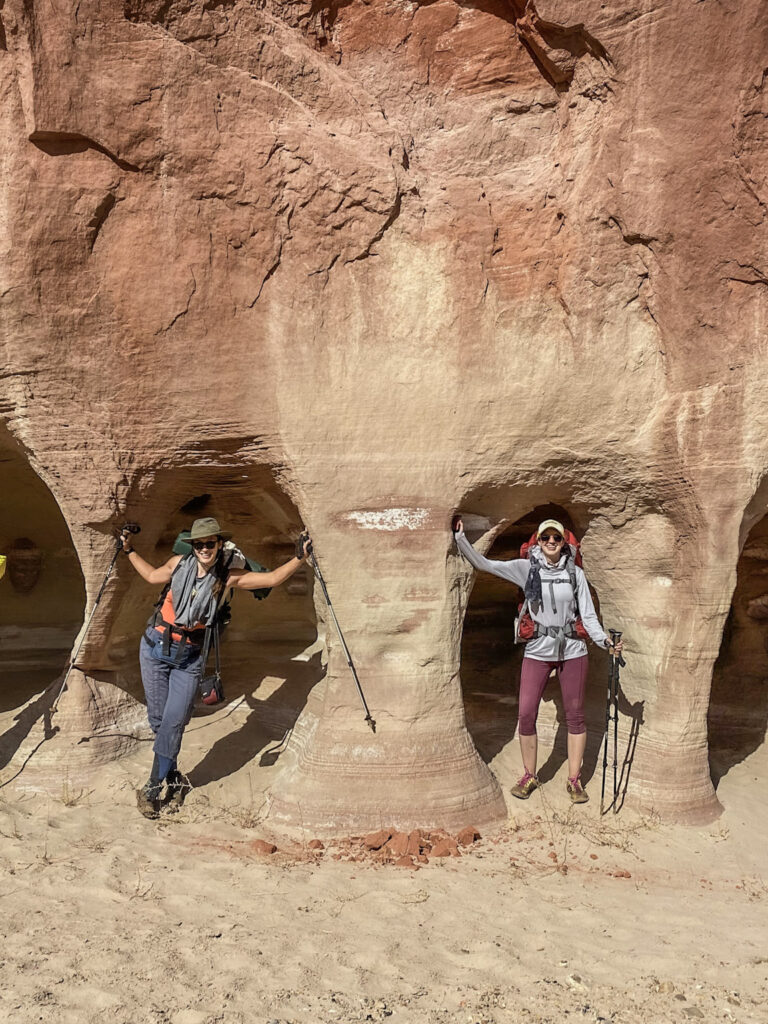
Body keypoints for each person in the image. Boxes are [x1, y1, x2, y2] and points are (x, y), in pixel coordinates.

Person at [121, 516, 312, 818]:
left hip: (190, 657)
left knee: (173, 722)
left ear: (219, 544)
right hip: (154, 648)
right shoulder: (178, 564)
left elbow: (272, 579)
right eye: (199, 544)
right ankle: (173, 775)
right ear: (192, 546)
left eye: (210, 543)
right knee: (159, 721)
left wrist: (299, 558)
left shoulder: (227, 577)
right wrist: (129, 550)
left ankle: (152, 788)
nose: (204, 548)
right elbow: (151, 576)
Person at [454, 516, 623, 804]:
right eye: (545, 537)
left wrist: (605, 641)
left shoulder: (575, 574)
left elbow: (588, 616)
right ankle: (529, 776)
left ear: (564, 542)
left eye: (556, 538)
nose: (551, 542)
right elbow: (484, 564)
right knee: (526, 714)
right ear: (538, 541)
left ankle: (574, 780)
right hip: (538, 650)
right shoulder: (526, 569)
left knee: (575, 715)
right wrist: (460, 539)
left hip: (573, 650)